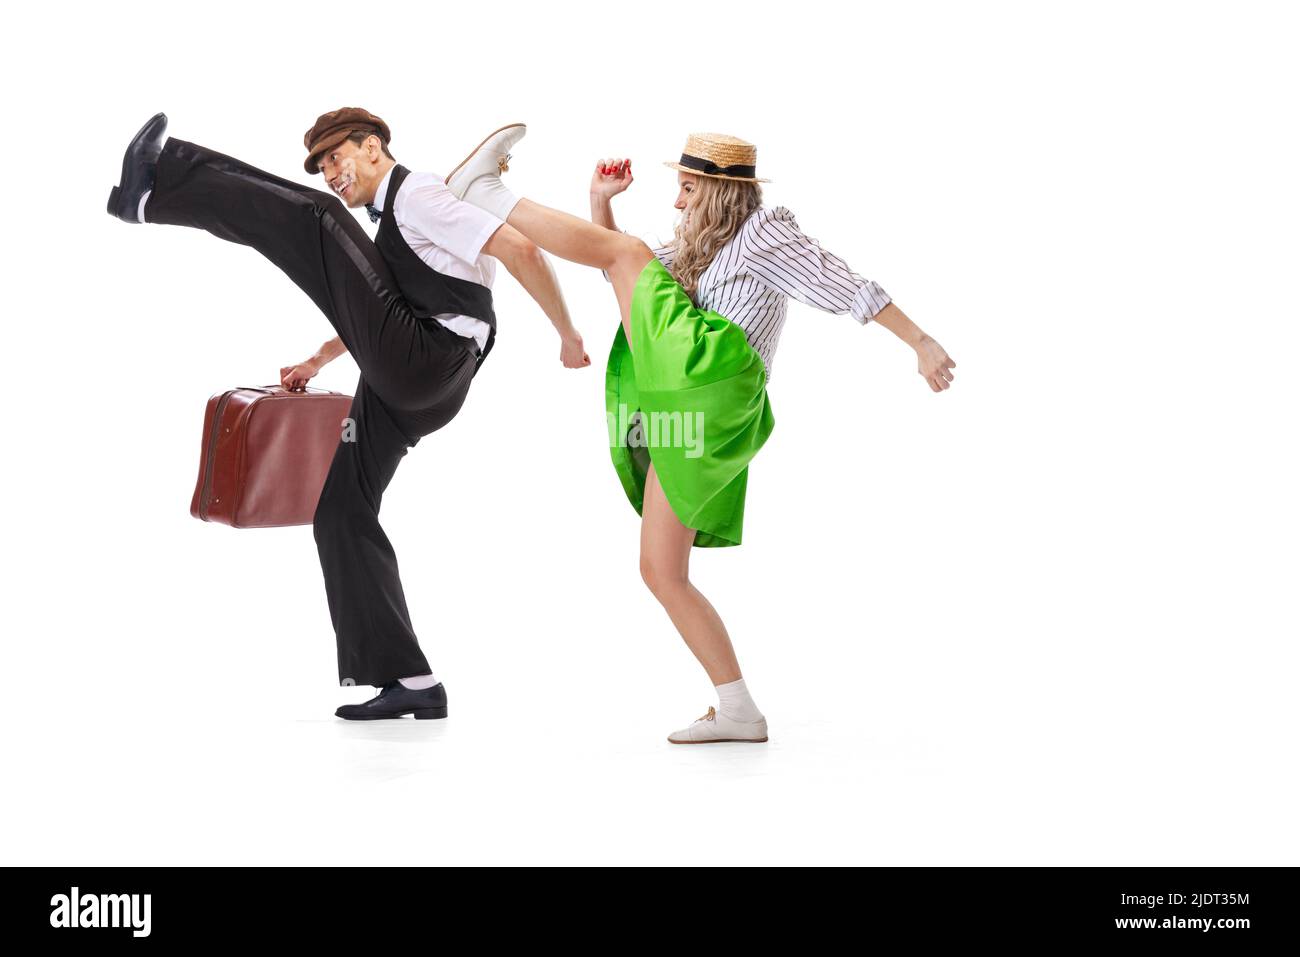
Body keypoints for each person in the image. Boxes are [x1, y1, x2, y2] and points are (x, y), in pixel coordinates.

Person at [443, 129, 956, 744]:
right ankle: (739, 710)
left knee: (629, 252)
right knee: (661, 570)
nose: (678, 202)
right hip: (699, 400)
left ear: (719, 191)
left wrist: (920, 342)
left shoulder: (765, 234)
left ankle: (485, 193)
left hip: (716, 376)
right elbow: (622, 281)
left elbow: (844, 284)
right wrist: (600, 201)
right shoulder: (701, 248)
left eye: (688, 189)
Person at [106, 109, 589, 720]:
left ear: (374, 147)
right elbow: (373, 302)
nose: (331, 171)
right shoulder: (391, 221)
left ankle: (157, 187)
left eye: (338, 156)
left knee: (317, 218)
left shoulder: (416, 194)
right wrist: (319, 358)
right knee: (341, 512)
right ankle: (411, 680)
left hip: (426, 361)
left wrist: (567, 333)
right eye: (322, 164)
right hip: (416, 381)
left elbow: (520, 247)